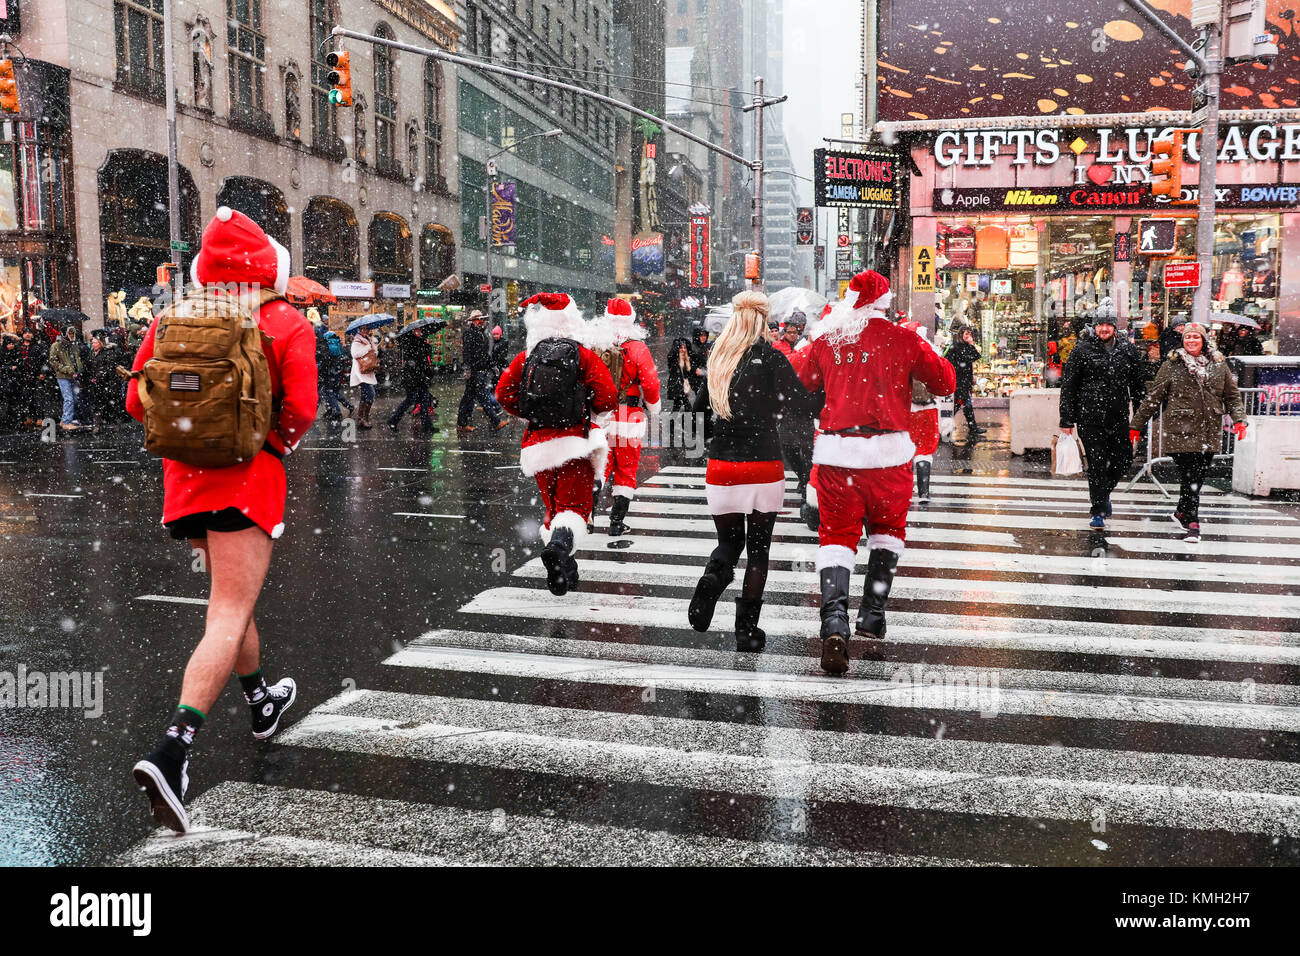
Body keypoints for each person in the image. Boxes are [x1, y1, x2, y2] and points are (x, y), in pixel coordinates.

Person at [128, 206, 318, 834]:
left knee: (232, 599)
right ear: (266, 263)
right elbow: (305, 408)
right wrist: (269, 444)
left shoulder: (172, 317)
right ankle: (174, 751)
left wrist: (194, 436)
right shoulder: (285, 320)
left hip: (185, 481)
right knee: (229, 611)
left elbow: (137, 400)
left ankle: (261, 701)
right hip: (249, 477)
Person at [797, 271, 955, 675]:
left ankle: (834, 623)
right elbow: (945, 381)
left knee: (836, 539)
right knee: (888, 532)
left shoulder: (831, 338)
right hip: (889, 459)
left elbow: (803, 379)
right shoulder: (904, 339)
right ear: (885, 302)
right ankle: (872, 615)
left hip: (837, 458)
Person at [688, 291, 807, 652]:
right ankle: (747, 630)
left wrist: (717, 434)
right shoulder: (772, 360)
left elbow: (696, 416)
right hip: (764, 466)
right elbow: (800, 405)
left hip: (723, 467)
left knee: (729, 543)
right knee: (758, 551)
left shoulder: (719, 359)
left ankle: (713, 577)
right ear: (762, 323)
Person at [495, 293, 618, 595]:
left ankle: (566, 569)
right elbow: (608, 397)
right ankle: (559, 550)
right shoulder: (584, 356)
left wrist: (529, 410)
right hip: (575, 443)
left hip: (538, 447)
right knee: (574, 510)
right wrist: (589, 409)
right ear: (573, 322)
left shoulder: (527, 357)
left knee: (553, 509)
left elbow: (502, 393)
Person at [1130, 322, 1246, 544]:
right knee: (1191, 475)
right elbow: (1154, 397)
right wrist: (1136, 424)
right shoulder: (1172, 364)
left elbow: (1232, 395)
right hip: (1180, 429)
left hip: (1209, 429)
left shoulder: (1219, 364)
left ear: (1203, 341)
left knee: (1197, 476)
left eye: (1196, 337)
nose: (1191, 341)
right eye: (1187, 337)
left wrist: (1239, 420)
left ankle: (1182, 512)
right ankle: (1193, 523)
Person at [1059, 299, 1146, 529]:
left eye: (1108, 324)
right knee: (1096, 464)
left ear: (1114, 327)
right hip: (1090, 418)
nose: (1104, 329)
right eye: (1100, 325)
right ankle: (1098, 510)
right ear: (1094, 326)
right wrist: (1066, 419)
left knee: (1123, 459)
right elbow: (1069, 387)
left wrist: (1140, 419)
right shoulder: (1082, 350)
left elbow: (1138, 388)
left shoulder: (1128, 350)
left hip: (1118, 418)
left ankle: (1103, 493)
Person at [598, 298, 661, 536]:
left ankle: (588, 517)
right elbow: (651, 384)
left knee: (599, 467)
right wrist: (653, 406)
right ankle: (616, 522)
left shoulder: (596, 344)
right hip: (628, 415)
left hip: (601, 413)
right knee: (626, 469)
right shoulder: (637, 348)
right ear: (630, 321)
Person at [904, 322, 941, 503]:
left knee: (906, 449)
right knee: (925, 450)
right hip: (929, 410)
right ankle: (924, 492)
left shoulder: (902, 355)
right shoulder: (930, 353)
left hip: (909, 410)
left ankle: (906, 490)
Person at [456, 310, 509, 433]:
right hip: (475, 371)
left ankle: (462, 423)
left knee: (469, 398)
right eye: (478, 319)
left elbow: (484, 354)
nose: (481, 321)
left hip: (480, 370)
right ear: (473, 321)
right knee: (482, 397)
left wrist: (491, 366)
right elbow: (467, 353)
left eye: (481, 319)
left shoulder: (481, 334)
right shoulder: (470, 334)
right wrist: (468, 368)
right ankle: (496, 421)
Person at [387, 326, 437, 433]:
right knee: (410, 400)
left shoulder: (422, 344)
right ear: (413, 332)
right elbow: (412, 363)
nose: (420, 332)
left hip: (421, 378)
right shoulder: (410, 344)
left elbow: (424, 362)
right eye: (418, 330)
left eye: (420, 330)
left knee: (424, 401)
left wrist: (428, 372)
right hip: (412, 379)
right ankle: (393, 420)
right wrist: (421, 371)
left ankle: (427, 425)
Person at [944, 325, 981, 437]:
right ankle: (946, 428)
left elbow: (976, 356)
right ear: (961, 335)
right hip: (959, 380)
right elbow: (968, 358)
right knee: (961, 403)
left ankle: (946, 428)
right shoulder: (956, 347)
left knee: (963, 403)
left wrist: (971, 345)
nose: (969, 336)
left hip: (965, 380)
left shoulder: (966, 346)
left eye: (970, 334)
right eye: (966, 334)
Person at [48, 324, 85, 432]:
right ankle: (66, 421)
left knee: (73, 398)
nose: (72, 335)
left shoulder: (73, 345)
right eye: (70, 333)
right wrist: (66, 368)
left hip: (73, 375)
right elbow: (53, 361)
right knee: (69, 399)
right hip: (63, 376)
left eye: (73, 333)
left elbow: (76, 358)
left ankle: (65, 420)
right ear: (64, 334)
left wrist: (78, 368)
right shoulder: (56, 345)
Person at [350, 326, 379, 429]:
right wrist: (367, 347)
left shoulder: (368, 340)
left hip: (367, 371)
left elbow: (374, 354)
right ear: (359, 330)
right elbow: (355, 354)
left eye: (367, 329)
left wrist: (373, 347)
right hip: (361, 372)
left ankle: (361, 420)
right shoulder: (357, 342)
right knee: (371, 394)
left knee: (364, 395)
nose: (365, 331)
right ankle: (364, 419)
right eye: (363, 329)